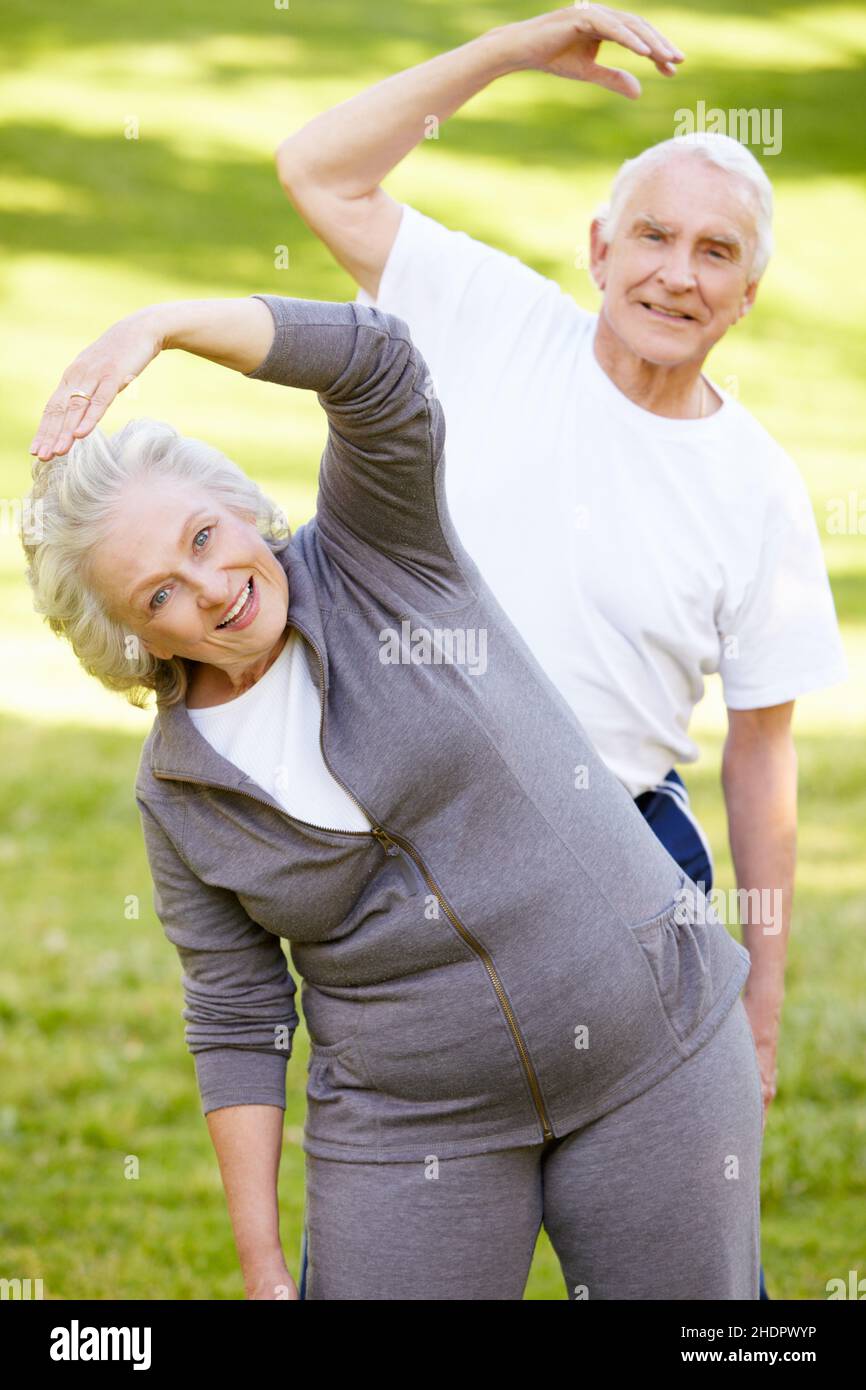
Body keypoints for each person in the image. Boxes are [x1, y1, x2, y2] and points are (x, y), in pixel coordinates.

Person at [274, 2, 849, 1301]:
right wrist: (508, 50)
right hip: (418, 861)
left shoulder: (755, 485)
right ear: (598, 246)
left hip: (632, 871)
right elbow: (316, 167)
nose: (676, 273)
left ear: (747, 295)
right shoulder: (491, 320)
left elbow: (761, 759)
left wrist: (756, 1005)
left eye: (716, 252)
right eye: (651, 235)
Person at [23, 289, 761, 1300]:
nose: (210, 588)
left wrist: (160, 324)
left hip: (649, 1053)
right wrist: (261, 1264)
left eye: (202, 537)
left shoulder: (379, 553)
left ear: (239, 506)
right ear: (134, 640)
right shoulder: (180, 790)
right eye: (158, 595)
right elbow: (236, 1013)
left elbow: (374, 364)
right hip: (413, 1126)